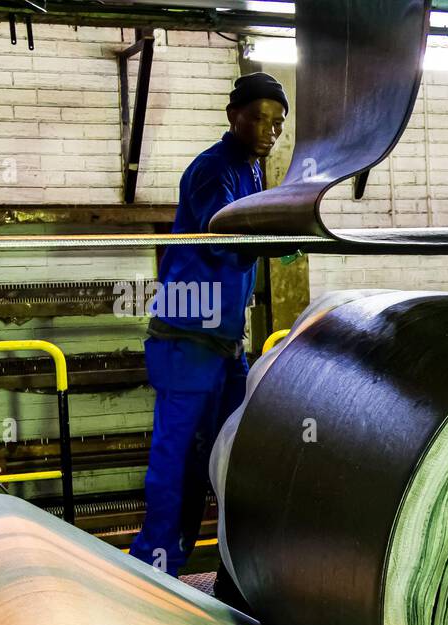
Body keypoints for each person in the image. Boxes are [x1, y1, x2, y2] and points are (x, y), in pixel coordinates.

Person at [130, 72, 288, 575]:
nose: (269, 130)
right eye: (259, 118)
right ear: (232, 115)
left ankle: (230, 570)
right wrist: (289, 237)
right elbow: (225, 240)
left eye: (278, 123)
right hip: (186, 343)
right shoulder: (211, 170)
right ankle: (155, 569)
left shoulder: (253, 171)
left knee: (226, 458)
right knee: (176, 464)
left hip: (223, 346)